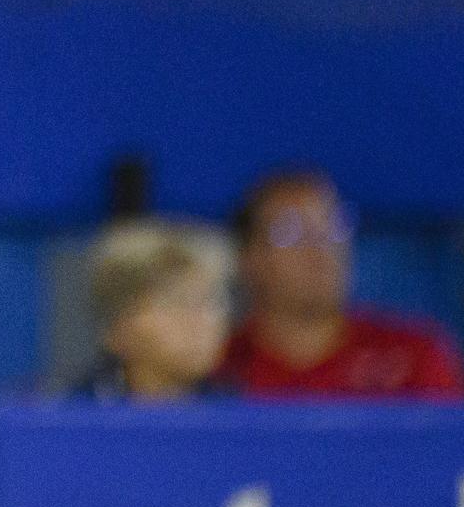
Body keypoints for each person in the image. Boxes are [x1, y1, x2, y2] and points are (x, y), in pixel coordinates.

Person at [220, 166, 463, 398]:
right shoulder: (219, 366)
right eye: (291, 233)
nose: (320, 250)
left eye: (334, 227)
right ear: (248, 257)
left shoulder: (414, 355)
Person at [65, 217, 233, 400]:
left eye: (211, 300)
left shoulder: (244, 413)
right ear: (116, 327)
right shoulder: (69, 418)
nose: (201, 320)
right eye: (176, 301)